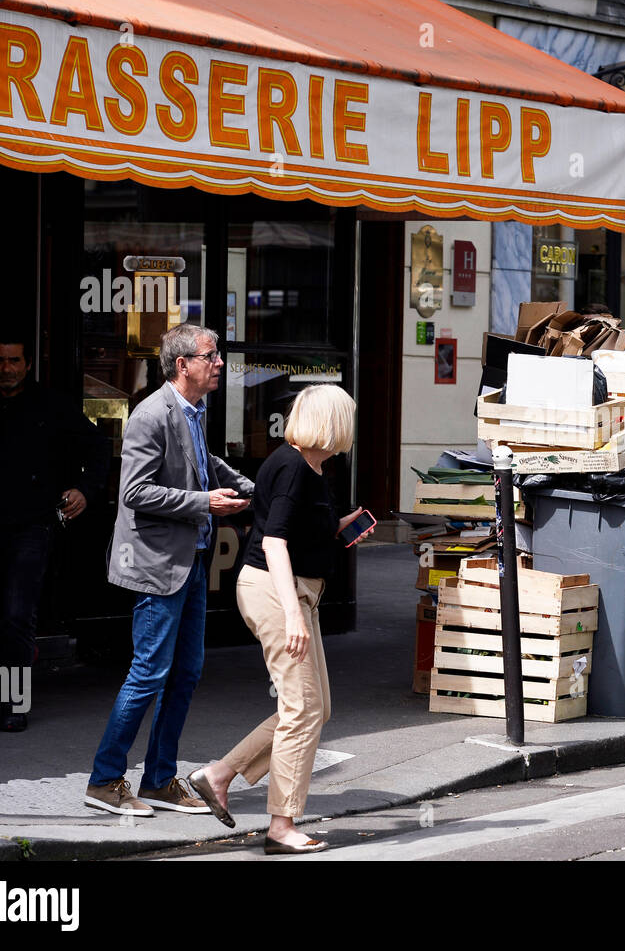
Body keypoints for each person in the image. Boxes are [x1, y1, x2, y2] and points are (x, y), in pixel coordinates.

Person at [187, 384, 371, 854]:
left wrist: (339, 526)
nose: (350, 427)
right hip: (276, 591)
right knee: (302, 710)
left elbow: (293, 528)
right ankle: (281, 825)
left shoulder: (308, 467)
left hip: (290, 591)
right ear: (332, 422)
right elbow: (273, 542)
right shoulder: (292, 467)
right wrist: (292, 615)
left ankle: (220, 773)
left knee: (315, 708)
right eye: (345, 417)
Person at [85, 323, 254, 817]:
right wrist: (204, 502)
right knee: (149, 673)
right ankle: (104, 780)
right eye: (211, 355)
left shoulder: (193, 410)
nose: (219, 362)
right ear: (183, 365)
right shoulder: (149, 414)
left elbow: (201, 461)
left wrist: (248, 487)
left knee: (186, 673)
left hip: (190, 561)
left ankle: (159, 779)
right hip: (158, 565)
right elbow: (133, 492)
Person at [0, 334, 110, 731]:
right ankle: (18, 657)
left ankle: (14, 700)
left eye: (14, 361)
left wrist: (84, 490)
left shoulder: (51, 405)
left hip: (32, 523)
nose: (6, 369)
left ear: (27, 364)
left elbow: (97, 447)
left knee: (18, 612)